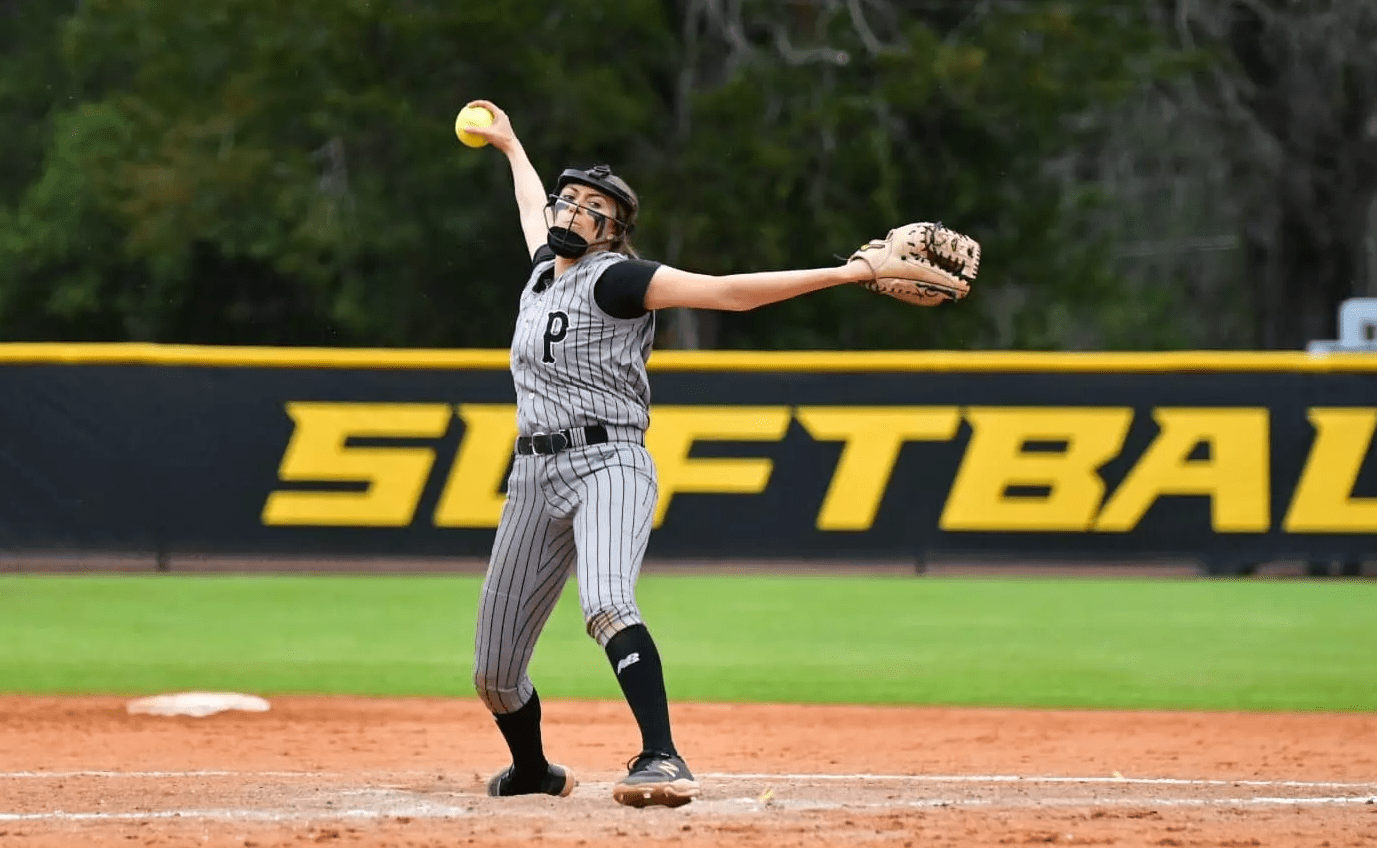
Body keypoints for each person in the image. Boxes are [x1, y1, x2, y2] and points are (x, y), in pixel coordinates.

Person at [459, 99, 878, 808]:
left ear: (613, 230)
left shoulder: (618, 277)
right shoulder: (542, 271)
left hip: (608, 461)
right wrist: (510, 146)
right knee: (493, 671)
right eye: (571, 198)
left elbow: (726, 294)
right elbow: (531, 207)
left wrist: (849, 273)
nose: (571, 209)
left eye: (593, 206)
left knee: (606, 602)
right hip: (532, 472)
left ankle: (662, 756)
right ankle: (533, 770)